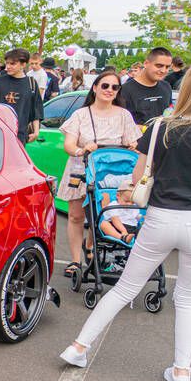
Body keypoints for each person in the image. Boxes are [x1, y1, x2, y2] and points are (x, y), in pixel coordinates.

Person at [60, 60, 191, 381]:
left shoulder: (161, 127)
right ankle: (181, 372)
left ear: (187, 88)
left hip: (162, 215)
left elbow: (137, 179)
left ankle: (78, 347)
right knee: (188, 299)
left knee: (124, 288)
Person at [55, 70, 140, 275]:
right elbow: (69, 143)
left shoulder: (123, 115)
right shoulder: (81, 114)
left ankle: (91, 246)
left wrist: (131, 145)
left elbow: (134, 142)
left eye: (114, 87)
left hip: (109, 173)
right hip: (80, 168)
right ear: (95, 87)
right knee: (76, 216)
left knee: (101, 213)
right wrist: (80, 150)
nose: (109, 90)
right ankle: (75, 260)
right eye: (105, 86)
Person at [0, 48, 43, 145]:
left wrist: (36, 131)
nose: (8, 67)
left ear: (23, 65)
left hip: (20, 135)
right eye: (7, 63)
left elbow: (36, 108)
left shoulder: (31, 83)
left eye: (12, 64)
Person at [119, 47, 174, 125]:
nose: (163, 70)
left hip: (162, 136)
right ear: (146, 63)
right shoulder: (125, 90)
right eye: (159, 65)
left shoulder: (166, 86)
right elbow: (121, 123)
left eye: (167, 67)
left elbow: (169, 113)